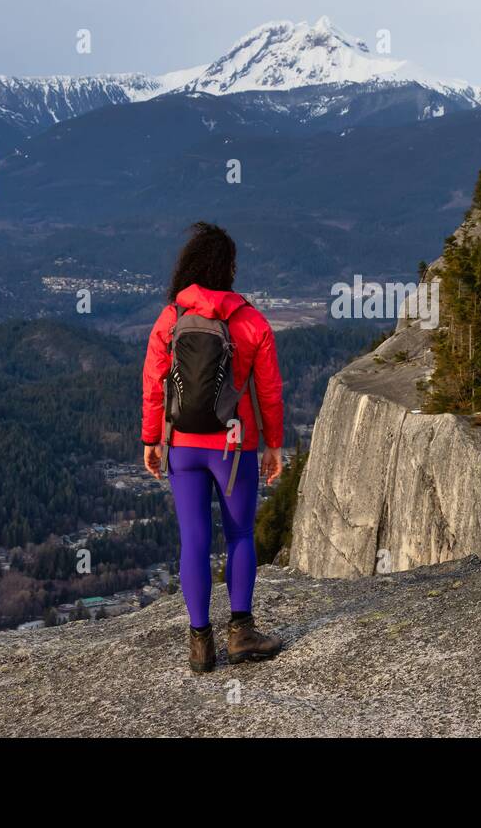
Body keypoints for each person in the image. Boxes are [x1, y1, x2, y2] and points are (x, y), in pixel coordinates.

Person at [141, 222, 285, 673]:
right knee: (240, 534)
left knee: (194, 541)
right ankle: (241, 632)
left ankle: (200, 643)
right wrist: (274, 445)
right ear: (228, 269)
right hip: (234, 447)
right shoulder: (250, 321)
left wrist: (151, 439)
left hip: (183, 447)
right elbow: (269, 392)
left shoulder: (171, 319)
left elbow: (152, 385)